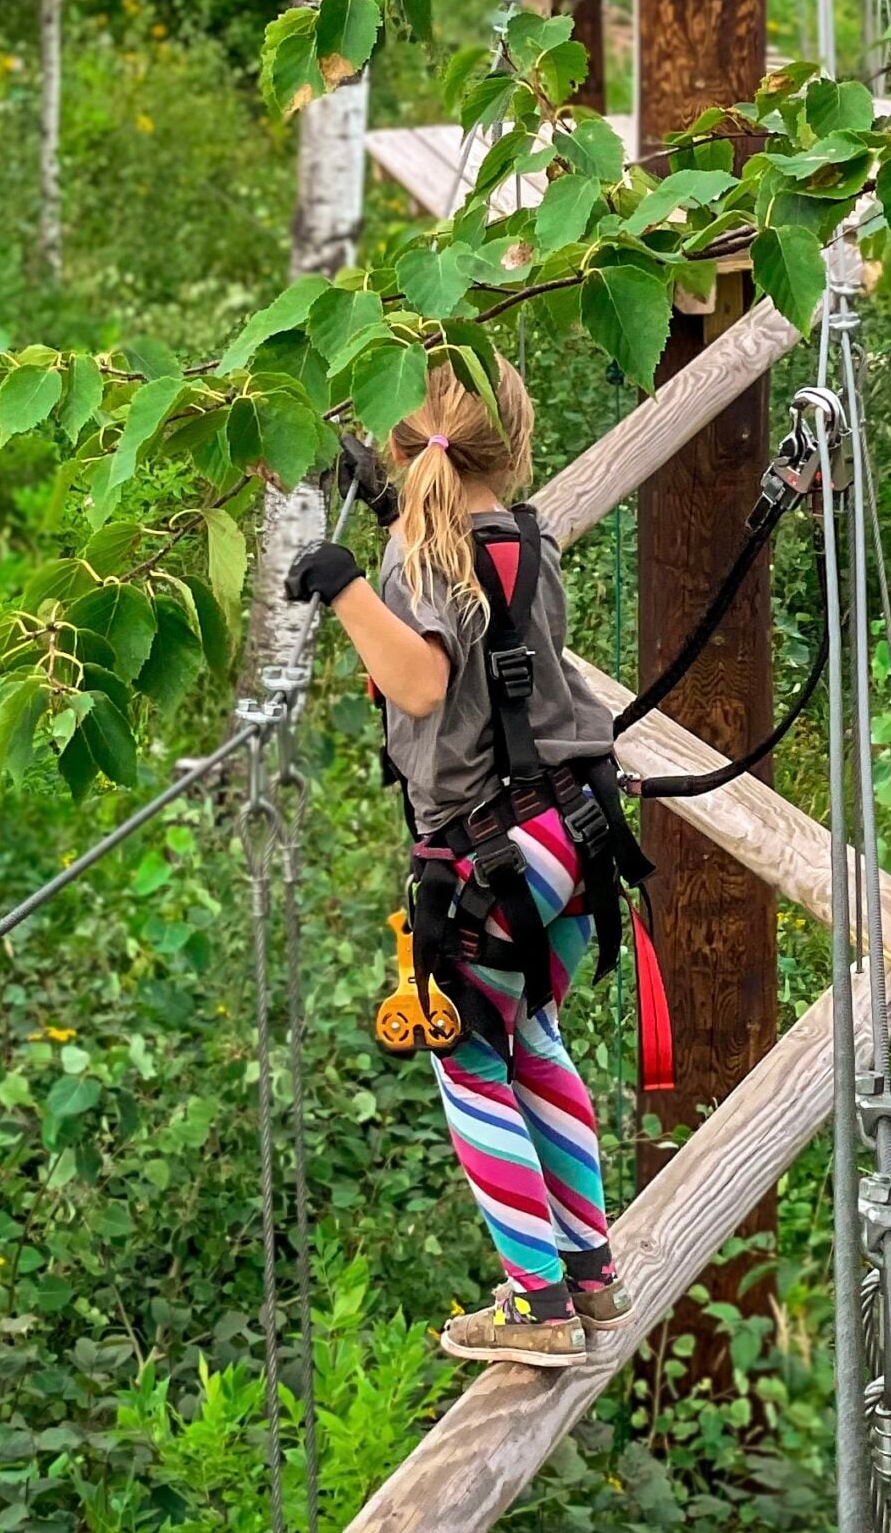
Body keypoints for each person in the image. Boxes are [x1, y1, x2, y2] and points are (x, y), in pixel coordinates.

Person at [282, 361, 637, 1370]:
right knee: (532, 1037)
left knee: (469, 1057)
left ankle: (539, 1304)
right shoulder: (522, 534)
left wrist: (343, 584)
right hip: (575, 832)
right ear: (509, 447)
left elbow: (423, 680)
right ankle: (590, 1274)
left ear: (406, 445)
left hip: (490, 850)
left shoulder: (415, 553)